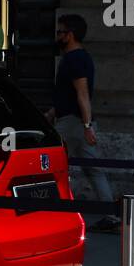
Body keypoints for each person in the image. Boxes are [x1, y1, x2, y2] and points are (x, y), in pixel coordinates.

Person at [50, 14, 119, 233]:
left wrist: (87, 126)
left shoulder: (75, 59)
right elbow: (73, 95)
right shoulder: (78, 58)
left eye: (60, 32)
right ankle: (111, 214)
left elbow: (82, 94)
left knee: (51, 163)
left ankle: (55, 211)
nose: (58, 36)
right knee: (94, 169)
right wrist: (53, 112)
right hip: (75, 120)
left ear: (70, 35)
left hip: (73, 124)